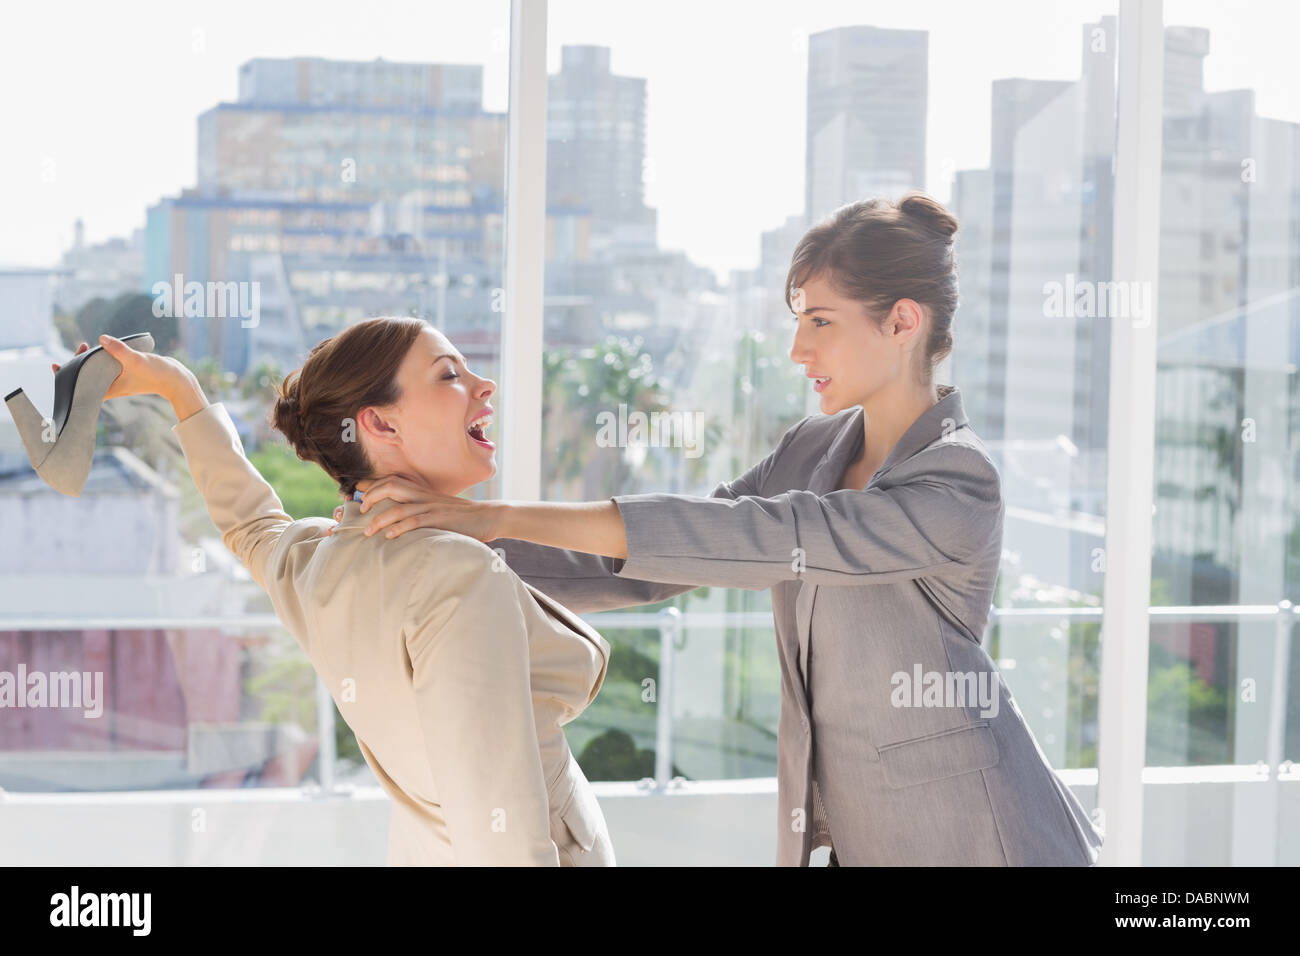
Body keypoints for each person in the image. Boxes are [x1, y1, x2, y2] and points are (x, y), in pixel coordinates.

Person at [355, 193, 1106, 866]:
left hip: (983, 834)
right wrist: (459, 552)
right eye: (797, 321)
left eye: (820, 321)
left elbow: (762, 534)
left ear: (902, 321)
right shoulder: (811, 449)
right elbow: (658, 559)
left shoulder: (958, 481)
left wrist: (492, 513)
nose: (797, 350)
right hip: (856, 836)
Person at [75, 318, 615, 866]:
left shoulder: (319, 560)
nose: (484, 385)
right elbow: (497, 833)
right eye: (449, 374)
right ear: (380, 423)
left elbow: (248, 524)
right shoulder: (460, 576)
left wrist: (180, 391)